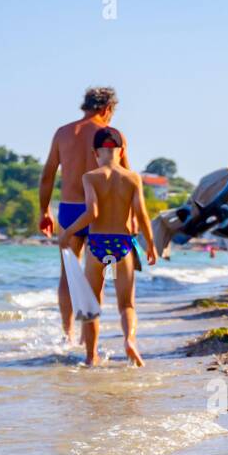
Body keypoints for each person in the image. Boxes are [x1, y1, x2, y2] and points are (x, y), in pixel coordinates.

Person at [38, 87, 130, 345]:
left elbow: (47, 176)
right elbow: (127, 177)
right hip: (100, 214)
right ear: (107, 109)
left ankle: (67, 334)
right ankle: (88, 339)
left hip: (68, 210)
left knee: (67, 274)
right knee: (95, 277)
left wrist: (44, 210)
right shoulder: (111, 137)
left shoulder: (63, 132)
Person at [58, 126, 155, 367]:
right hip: (122, 244)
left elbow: (93, 212)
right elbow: (142, 215)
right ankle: (129, 340)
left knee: (92, 305)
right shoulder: (133, 178)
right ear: (121, 152)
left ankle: (91, 357)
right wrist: (151, 245)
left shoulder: (90, 177)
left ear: (95, 153)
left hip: (97, 245)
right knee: (127, 305)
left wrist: (69, 231)